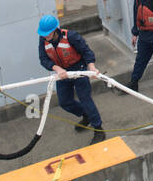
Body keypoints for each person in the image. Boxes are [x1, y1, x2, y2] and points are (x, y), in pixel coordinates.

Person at [37, 14, 106, 145]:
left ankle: (98, 129)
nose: (45, 36)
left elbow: (86, 52)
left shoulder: (71, 36)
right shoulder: (43, 40)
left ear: (54, 30)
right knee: (64, 102)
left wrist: (91, 67)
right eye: (43, 34)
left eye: (47, 33)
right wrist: (57, 69)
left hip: (78, 69)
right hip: (62, 72)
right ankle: (86, 115)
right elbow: (43, 59)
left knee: (85, 99)